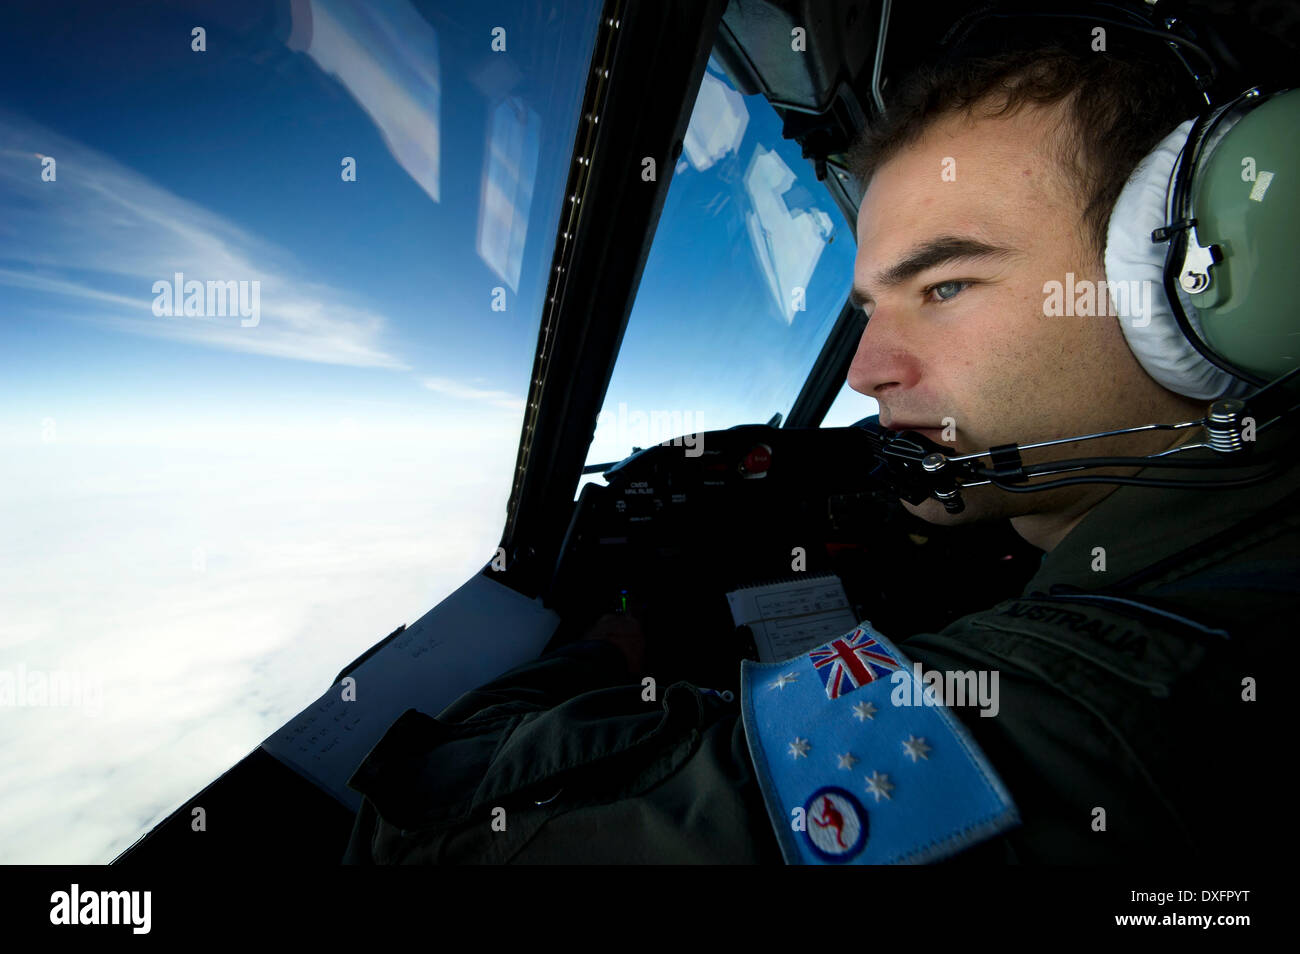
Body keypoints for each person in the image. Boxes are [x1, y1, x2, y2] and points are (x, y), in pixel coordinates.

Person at [341, 39, 1297, 864]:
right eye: (869, 311)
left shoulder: (1113, 699)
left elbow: (444, 832)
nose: (867, 372)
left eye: (947, 287)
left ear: (1184, 287)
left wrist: (596, 650)